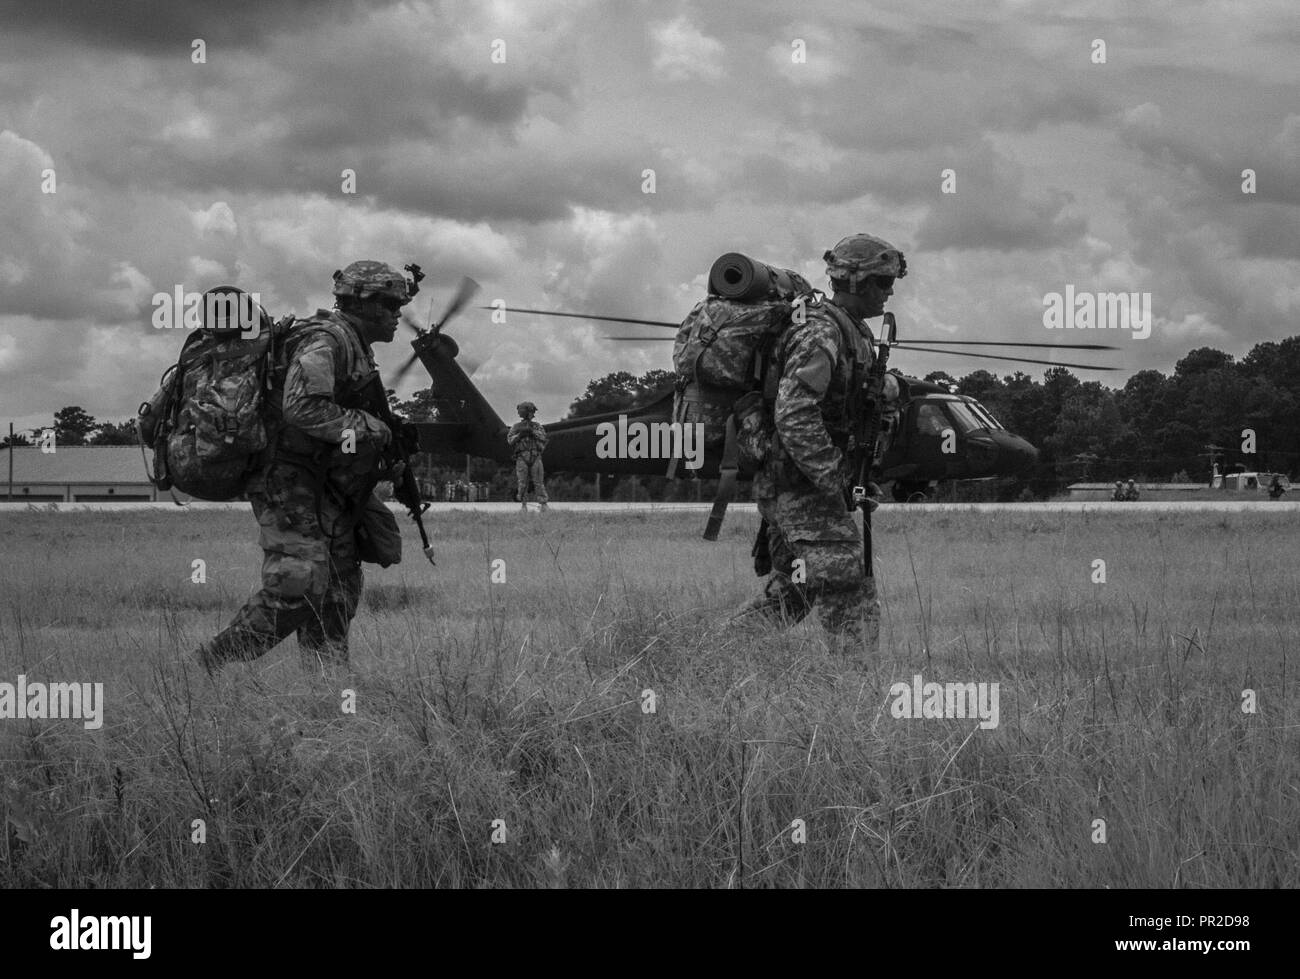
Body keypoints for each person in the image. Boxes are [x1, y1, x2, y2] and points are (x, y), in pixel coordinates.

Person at [195, 260, 419, 672]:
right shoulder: (327, 341)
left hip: (324, 485)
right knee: (297, 585)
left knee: (339, 588)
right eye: (390, 304)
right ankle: (211, 662)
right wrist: (370, 428)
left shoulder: (354, 346)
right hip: (288, 482)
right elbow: (302, 408)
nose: (397, 314)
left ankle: (327, 692)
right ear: (364, 305)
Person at [732, 232, 907, 656]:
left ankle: (717, 655)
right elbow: (793, 415)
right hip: (801, 487)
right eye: (883, 283)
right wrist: (839, 478)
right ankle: (858, 697)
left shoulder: (852, 333)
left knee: (796, 589)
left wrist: (889, 386)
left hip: (799, 485)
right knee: (847, 585)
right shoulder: (819, 333)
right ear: (857, 282)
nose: (890, 291)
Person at [508, 401, 549, 510]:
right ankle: (523, 504)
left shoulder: (537, 426)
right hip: (522, 457)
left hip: (535, 456)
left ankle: (543, 503)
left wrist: (532, 432)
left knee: (539, 482)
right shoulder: (516, 427)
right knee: (522, 483)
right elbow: (510, 440)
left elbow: (543, 438)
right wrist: (520, 435)